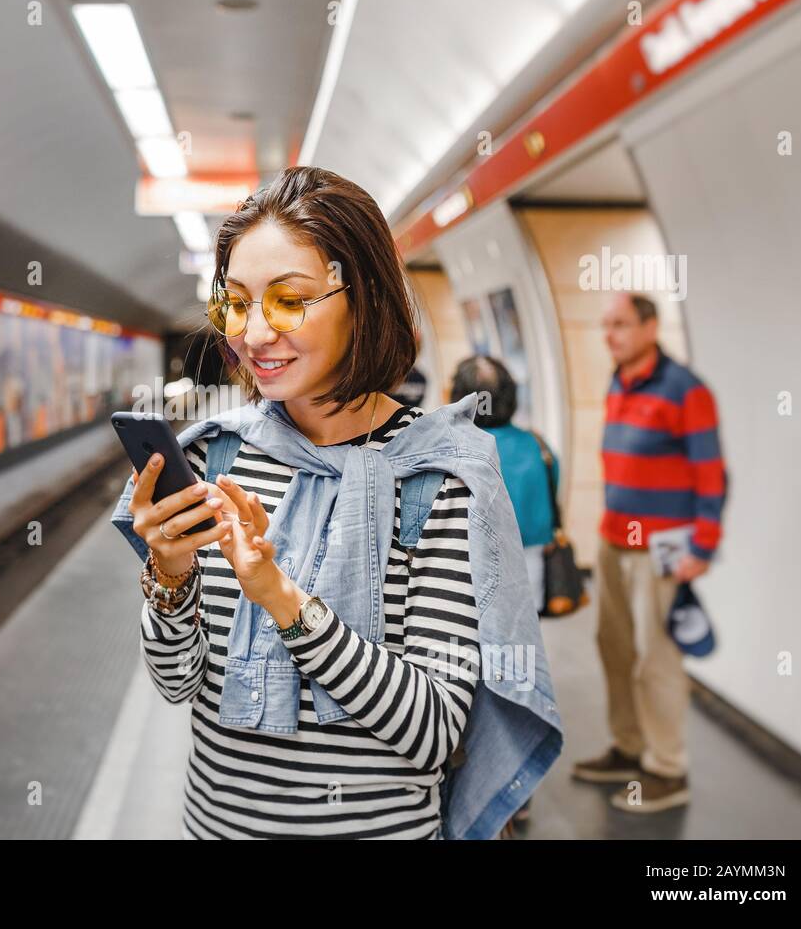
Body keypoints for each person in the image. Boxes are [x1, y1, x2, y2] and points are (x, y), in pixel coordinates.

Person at [109, 166, 562, 839]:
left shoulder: (437, 475)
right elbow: (178, 684)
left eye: (288, 301)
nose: (255, 334)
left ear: (364, 297)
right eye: (237, 303)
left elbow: (433, 732)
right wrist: (170, 579)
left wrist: (283, 600)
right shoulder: (216, 459)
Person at [571, 292, 726, 814]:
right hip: (615, 540)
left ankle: (666, 768)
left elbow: (711, 473)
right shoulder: (620, 379)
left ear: (650, 327)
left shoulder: (685, 390)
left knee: (656, 659)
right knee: (614, 648)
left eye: (620, 324)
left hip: (659, 548)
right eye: (605, 325)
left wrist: (703, 545)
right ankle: (629, 746)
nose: (609, 335)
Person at [449, 354, 560, 832]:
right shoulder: (538, 446)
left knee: (468, 679)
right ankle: (517, 790)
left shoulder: (457, 446)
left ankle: (468, 780)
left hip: (466, 578)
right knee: (517, 674)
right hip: (525, 577)